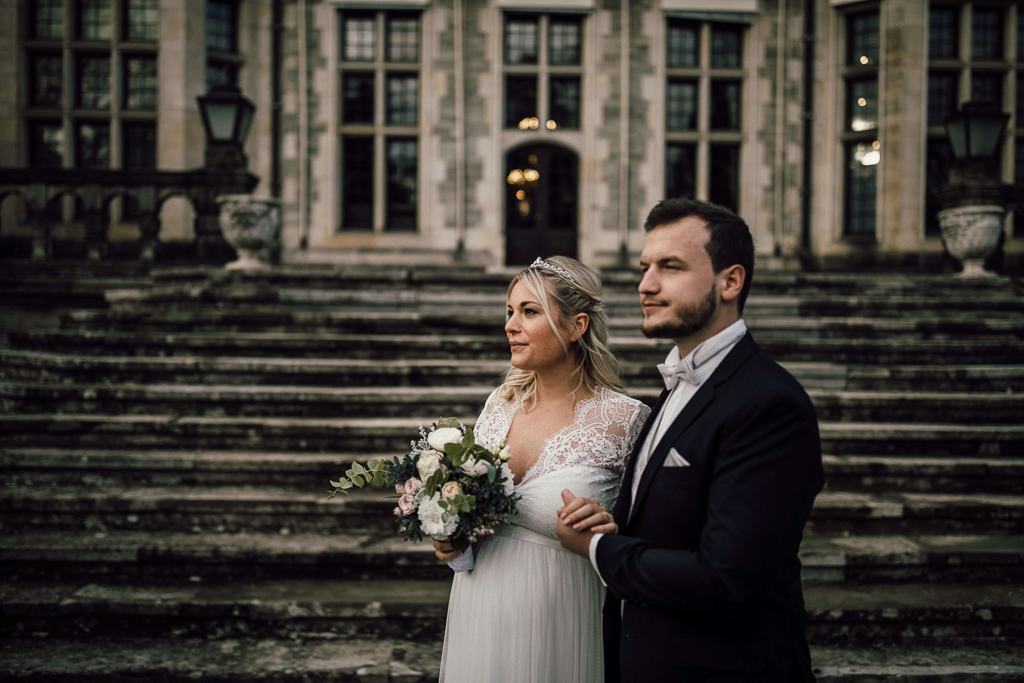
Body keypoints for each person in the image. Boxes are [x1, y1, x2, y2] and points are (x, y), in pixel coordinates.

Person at [556, 198, 824, 683]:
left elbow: (726, 578)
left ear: (731, 281)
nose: (646, 285)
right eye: (645, 267)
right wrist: (612, 522)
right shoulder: (674, 389)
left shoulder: (769, 404)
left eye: (670, 267)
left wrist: (597, 549)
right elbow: (669, 521)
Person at [433, 256, 650, 683]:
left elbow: (650, 536)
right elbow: (472, 519)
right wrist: (451, 539)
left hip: (564, 614)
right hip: (481, 607)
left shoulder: (627, 419)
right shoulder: (499, 403)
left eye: (529, 312)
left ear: (577, 326)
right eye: (509, 312)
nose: (511, 325)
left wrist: (612, 529)